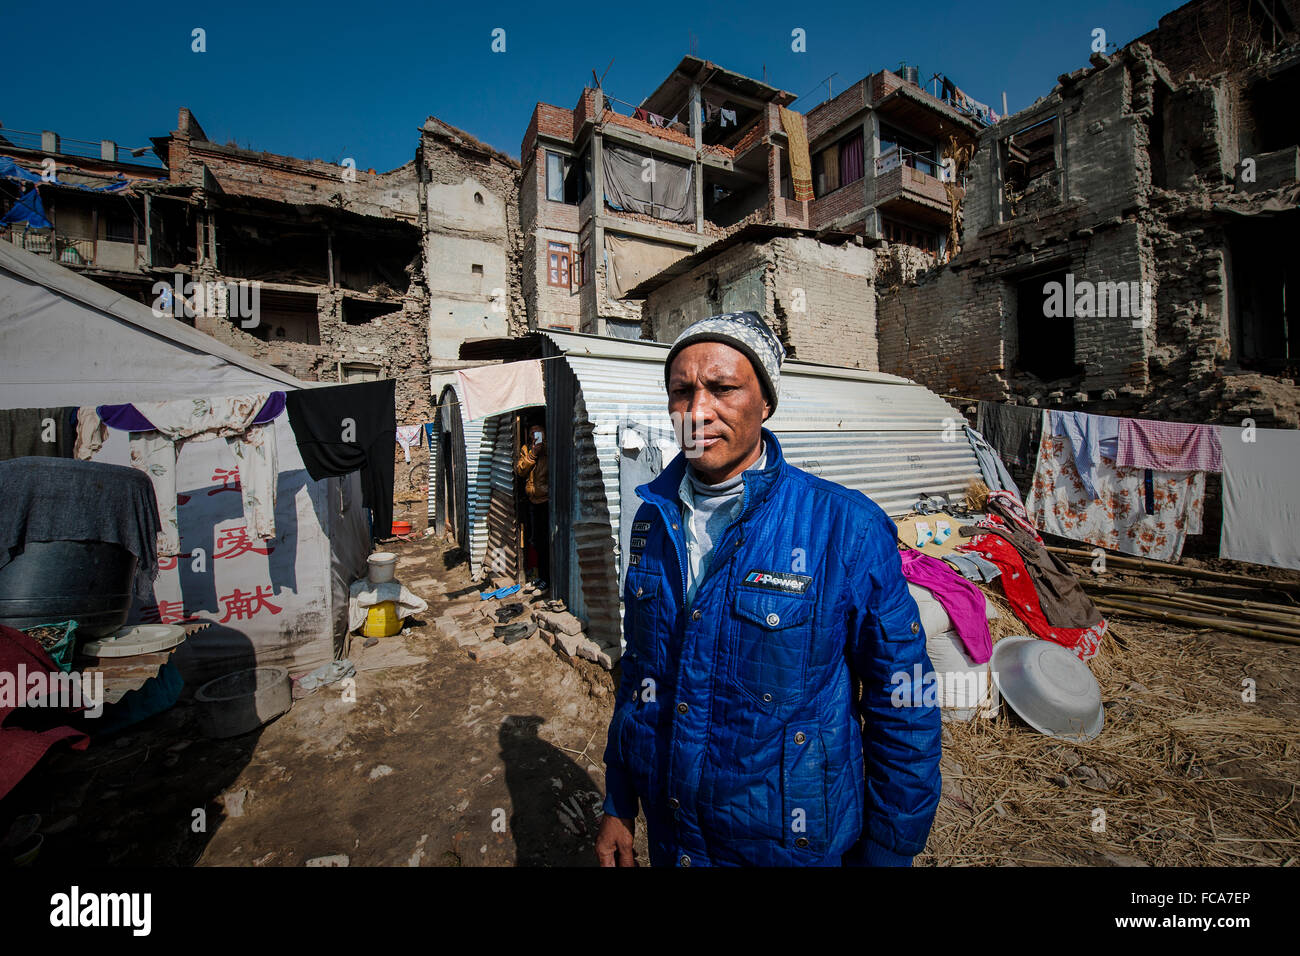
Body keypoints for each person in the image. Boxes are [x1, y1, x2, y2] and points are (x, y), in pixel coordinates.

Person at [595, 311, 941, 867]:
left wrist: (889, 852)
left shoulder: (842, 527)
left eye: (723, 388)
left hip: (787, 847)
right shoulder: (652, 520)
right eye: (681, 392)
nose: (698, 411)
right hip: (674, 835)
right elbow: (641, 673)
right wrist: (618, 801)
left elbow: (904, 702)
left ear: (766, 402)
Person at [515, 421, 549, 590]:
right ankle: (539, 575)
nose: (536, 437)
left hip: (547, 501)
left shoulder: (550, 449)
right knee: (536, 540)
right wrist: (533, 454)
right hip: (533, 501)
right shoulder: (526, 450)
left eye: (539, 434)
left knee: (547, 541)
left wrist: (543, 449)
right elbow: (520, 470)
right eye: (533, 434)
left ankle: (547, 578)